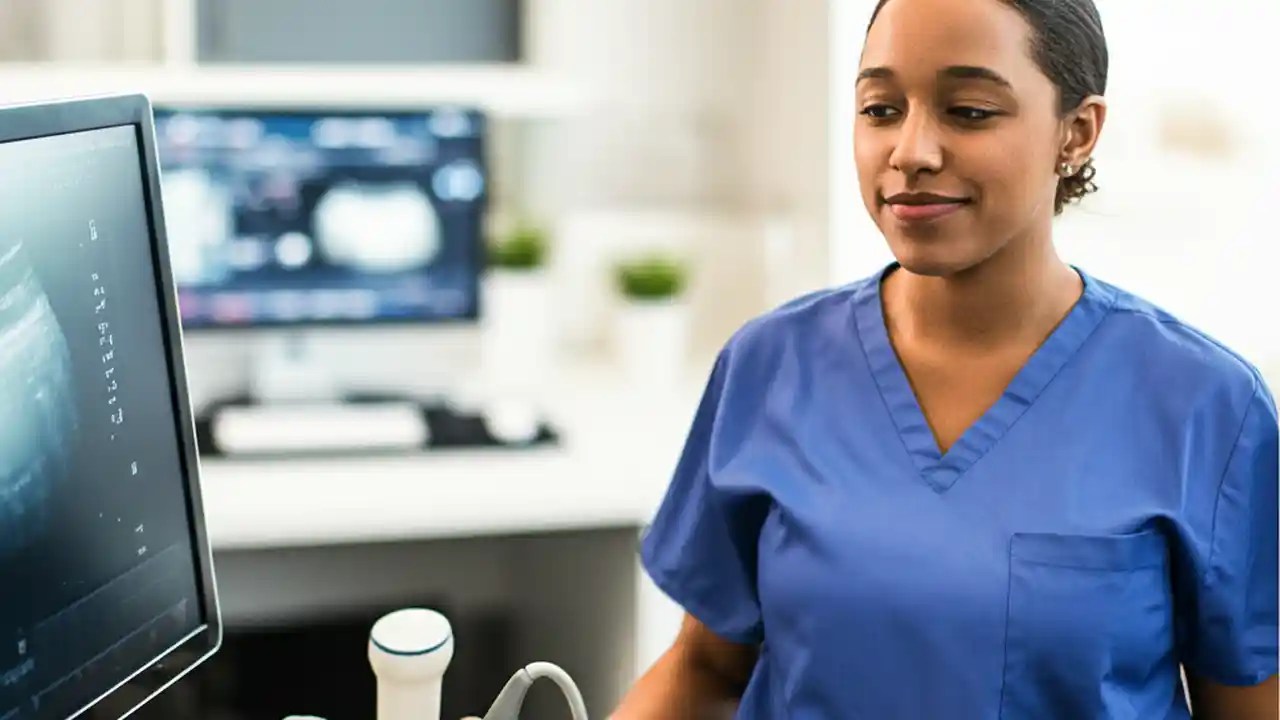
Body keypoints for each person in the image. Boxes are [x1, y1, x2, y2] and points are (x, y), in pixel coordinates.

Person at [611, 0, 1279, 717]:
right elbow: (704, 670)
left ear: (1076, 133)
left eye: (968, 111)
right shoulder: (769, 366)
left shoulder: (1206, 409)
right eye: (880, 108)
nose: (911, 151)